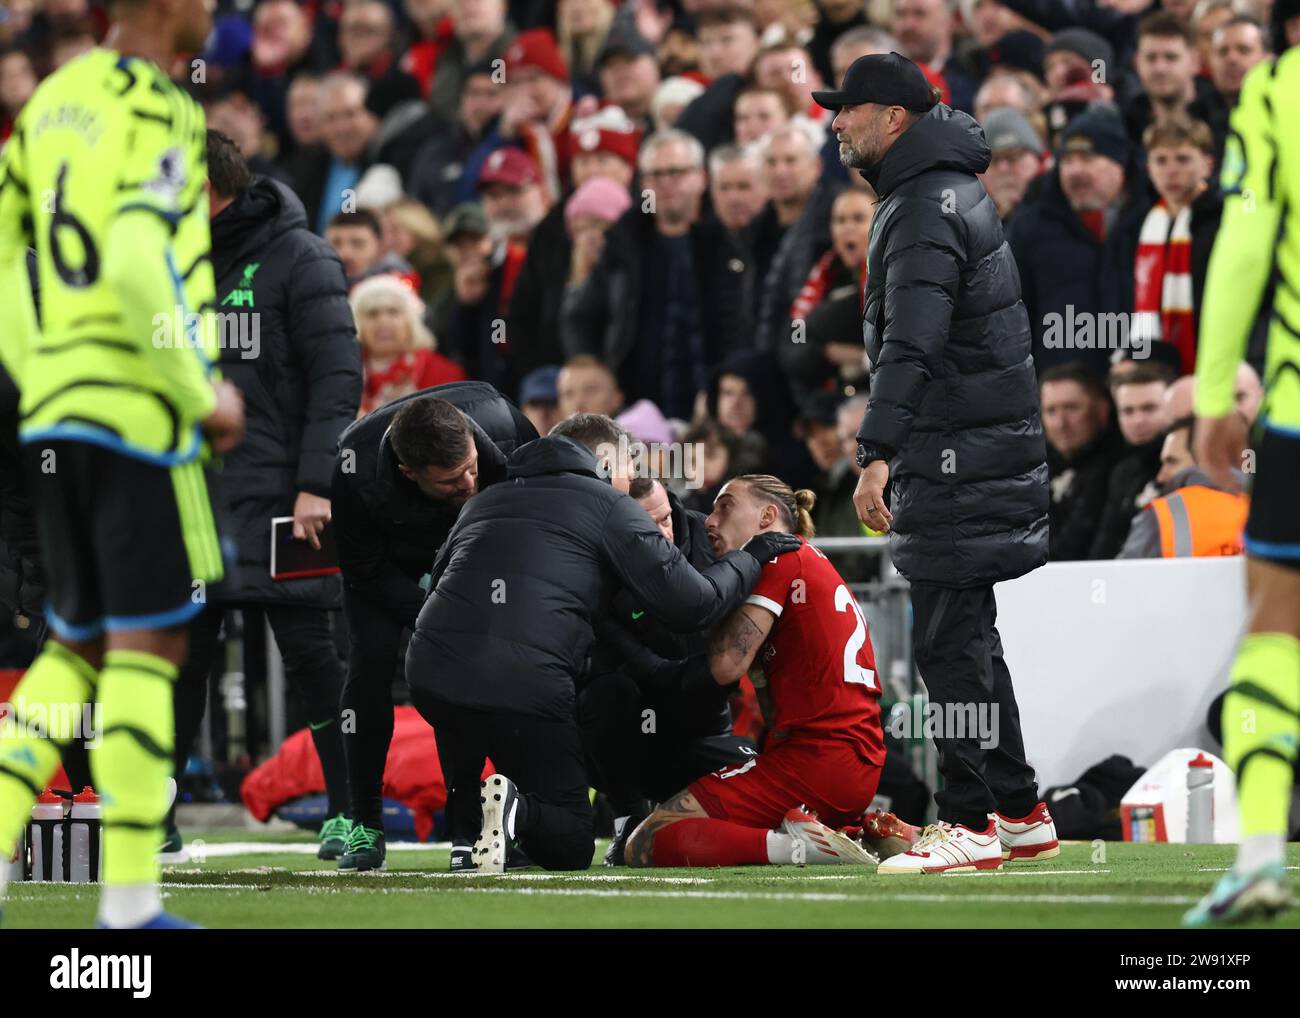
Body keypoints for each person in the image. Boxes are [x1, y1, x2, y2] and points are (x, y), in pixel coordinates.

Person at [0, 0, 245, 928]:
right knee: (154, 645)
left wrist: (36, 376)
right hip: (139, 411)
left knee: (76, 642)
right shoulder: (156, 107)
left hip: (56, 410)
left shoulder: (50, 103)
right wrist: (200, 393)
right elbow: (143, 260)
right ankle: (132, 907)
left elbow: (2, 255)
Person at [818, 52, 1057, 871]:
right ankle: (1020, 809)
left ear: (892, 117)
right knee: (970, 637)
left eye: (846, 109)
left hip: (956, 455)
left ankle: (972, 821)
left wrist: (875, 453)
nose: (834, 121)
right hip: (973, 447)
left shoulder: (922, 204)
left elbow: (912, 346)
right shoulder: (941, 190)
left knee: (950, 644)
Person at [405, 414, 801, 872]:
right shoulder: (606, 504)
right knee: (572, 841)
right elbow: (694, 603)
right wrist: (754, 554)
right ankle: (519, 810)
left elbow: (435, 584)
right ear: (605, 459)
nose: (630, 475)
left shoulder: (485, 500)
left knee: (500, 723)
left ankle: (477, 827)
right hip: (526, 682)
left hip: (431, 671)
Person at [168, 130, 362, 857]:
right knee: (180, 655)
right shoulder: (170, 266)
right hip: (193, 495)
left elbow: (337, 379)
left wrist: (318, 484)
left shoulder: (300, 256)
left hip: (288, 496)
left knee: (315, 656)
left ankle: (351, 810)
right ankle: (155, 817)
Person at [1186, 6, 1300, 926]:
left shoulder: (1274, 92)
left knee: (1275, 617)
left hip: (1296, 411)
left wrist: (1216, 394)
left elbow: (1242, 248)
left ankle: (1261, 851)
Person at [624, 474, 882, 868]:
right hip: (851, 758)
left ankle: (796, 847)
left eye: (725, 506)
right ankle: (859, 830)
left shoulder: (777, 561)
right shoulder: (808, 557)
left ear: (767, 517)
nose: (710, 520)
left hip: (816, 760)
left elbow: (726, 665)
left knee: (649, 839)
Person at [331, 383, 537, 871]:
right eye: (450, 480)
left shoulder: (507, 427)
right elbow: (364, 571)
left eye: (471, 468)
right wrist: (436, 611)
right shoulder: (353, 466)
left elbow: (534, 525)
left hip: (479, 557)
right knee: (369, 667)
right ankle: (364, 824)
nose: (467, 483)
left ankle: (489, 825)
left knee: (486, 672)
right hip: (390, 568)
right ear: (408, 471)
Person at [578, 476, 761, 866]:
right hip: (635, 718)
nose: (663, 532)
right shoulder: (597, 561)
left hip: (702, 715)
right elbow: (643, 665)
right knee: (604, 695)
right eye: (649, 527)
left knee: (753, 772)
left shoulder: (706, 536)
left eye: (665, 519)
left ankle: (676, 807)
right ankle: (627, 813)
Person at [1117, 417, 1248, 559]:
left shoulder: (1161, 516)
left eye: (1172, 462)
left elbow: (1121, 577)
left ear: (1205, 456)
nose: (1161, 476)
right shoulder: (1266, 505)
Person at [1090, 361, 1175, 560]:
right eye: (1128, 411)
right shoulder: (1122, 470)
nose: (1138, 420)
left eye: (1149, 408)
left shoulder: (1185, 464)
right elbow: (1104, 545)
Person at [1041, 363, 1123, 561]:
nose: (1061, 423)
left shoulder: (1123, 470)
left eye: (1071, 408)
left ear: (1103, 410)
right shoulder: (1034, 472)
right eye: (1051, 411)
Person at [353, 273, 465, 416]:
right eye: (372, 313)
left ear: (411, 322)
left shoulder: (443, 374)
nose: (383, 321)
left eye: (393, 312)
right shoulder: (346, 374)